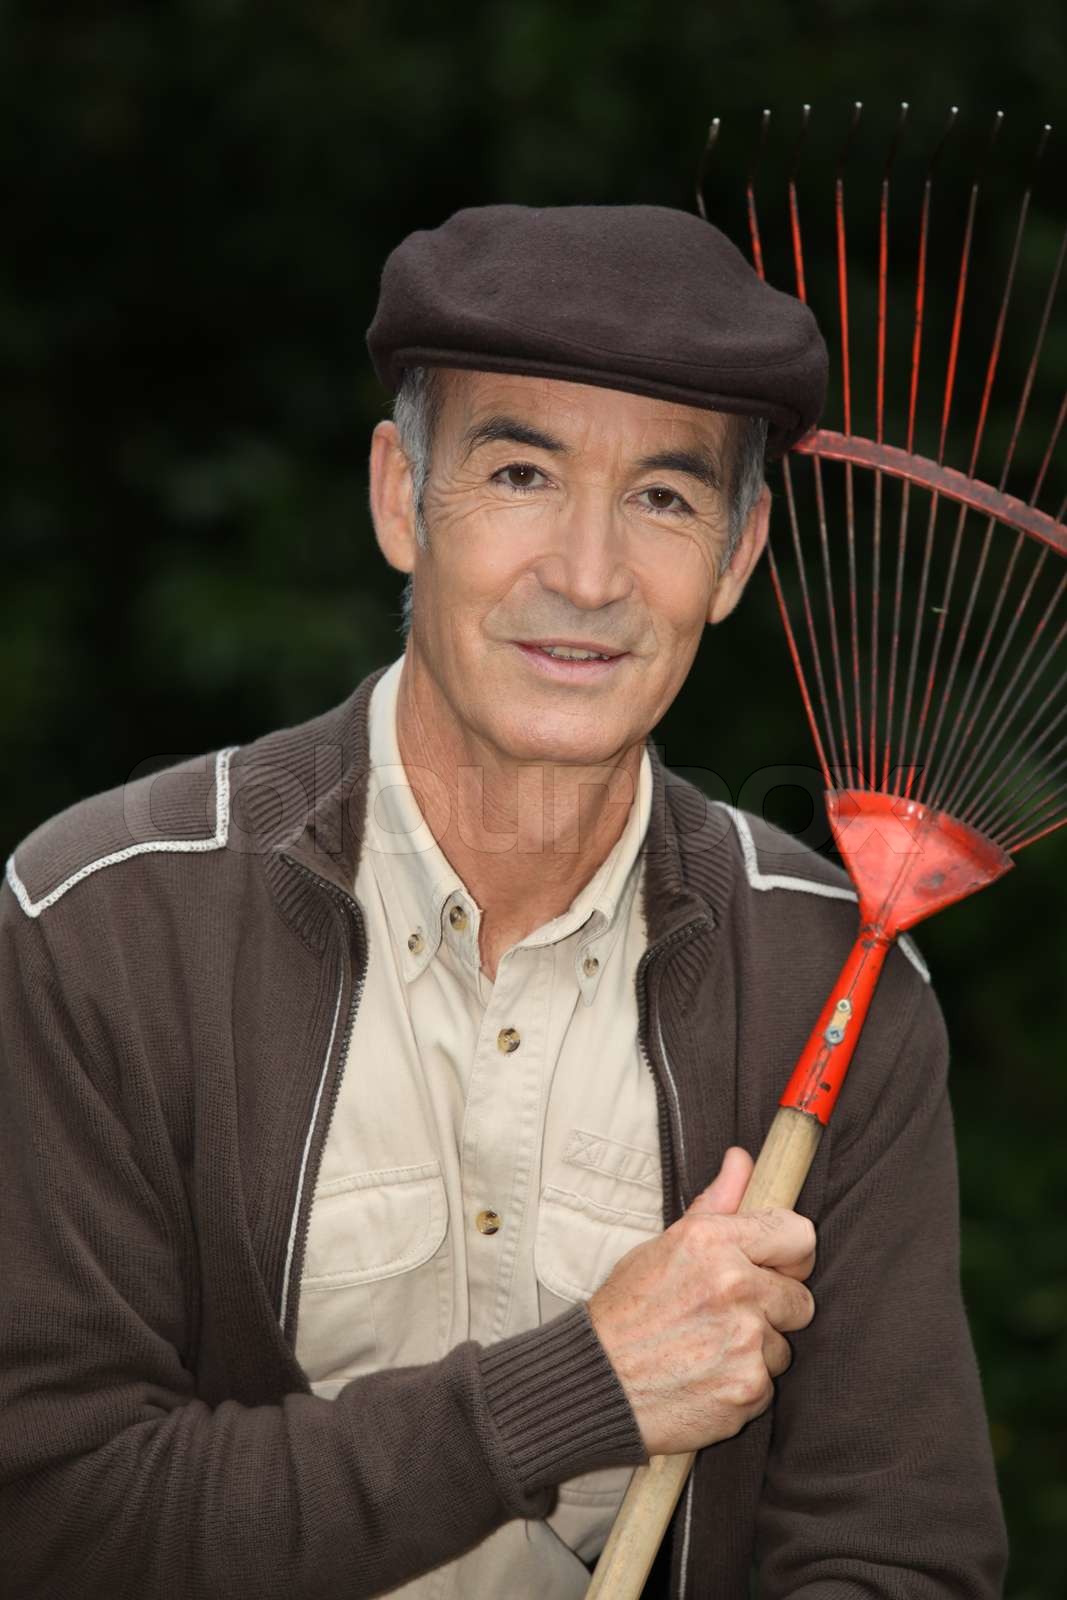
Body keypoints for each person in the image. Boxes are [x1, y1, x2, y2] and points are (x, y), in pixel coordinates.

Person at [0, 203, 1007, 1599]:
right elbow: (52, 1515)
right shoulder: (103, 926)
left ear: (736, 556)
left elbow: (896, 1554)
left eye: (664, 497)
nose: (589, 576)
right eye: (523, 473)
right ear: (400, 501)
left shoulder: (834, 981)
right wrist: (580, 1388)